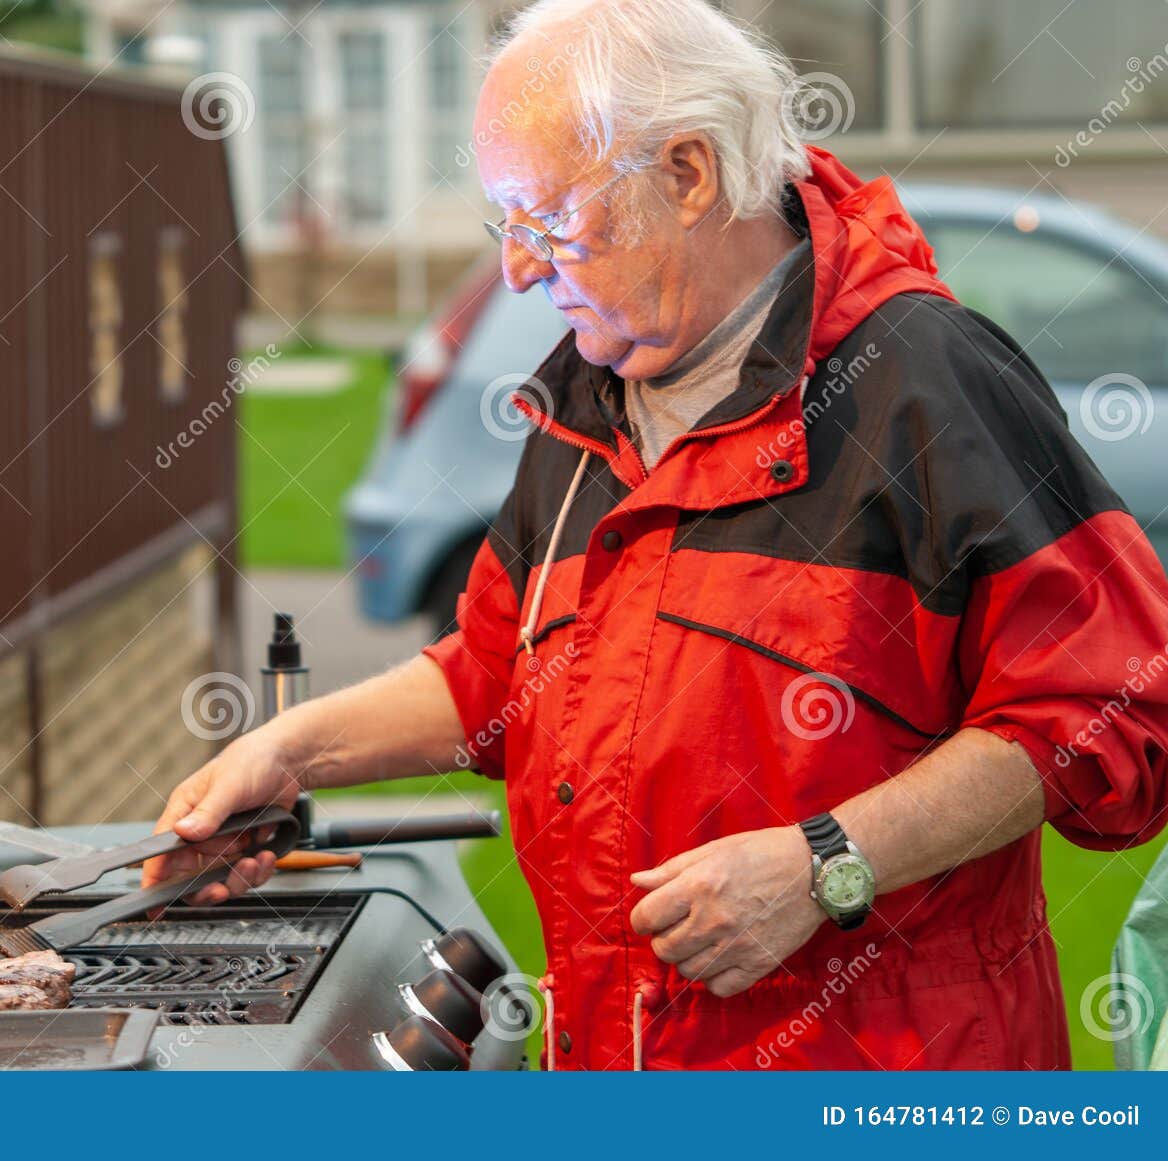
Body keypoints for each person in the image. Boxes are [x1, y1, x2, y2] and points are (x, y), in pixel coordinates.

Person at [144, 0, 1168, 1069]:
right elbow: (499, 675)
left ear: (686, 174)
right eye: (505, 228)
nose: (518, 274)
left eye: (543, 222)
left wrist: (826, 865)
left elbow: (1112, 707)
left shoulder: (923, 382)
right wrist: (286, 751)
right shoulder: (591, 404)